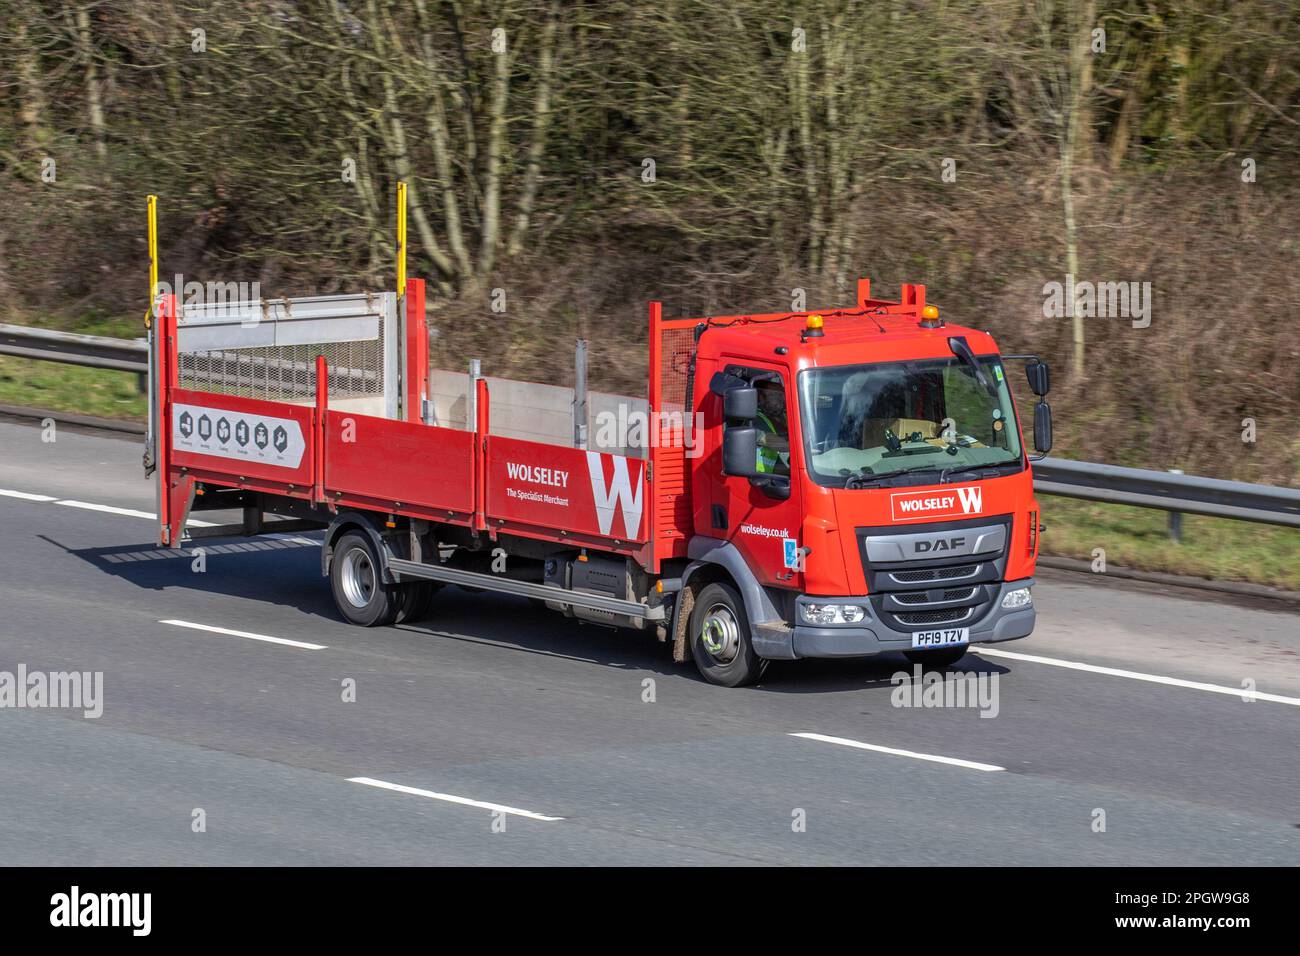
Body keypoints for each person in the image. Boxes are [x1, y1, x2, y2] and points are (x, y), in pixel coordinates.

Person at [754, 381, 790, 475]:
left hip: (779, 476)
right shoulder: (756, 418)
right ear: (761, 398)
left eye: (780, 394)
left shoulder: (788, 416)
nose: (778, 398)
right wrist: (798, 449)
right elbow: (769, 439)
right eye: (772, 394)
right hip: (760, 479)